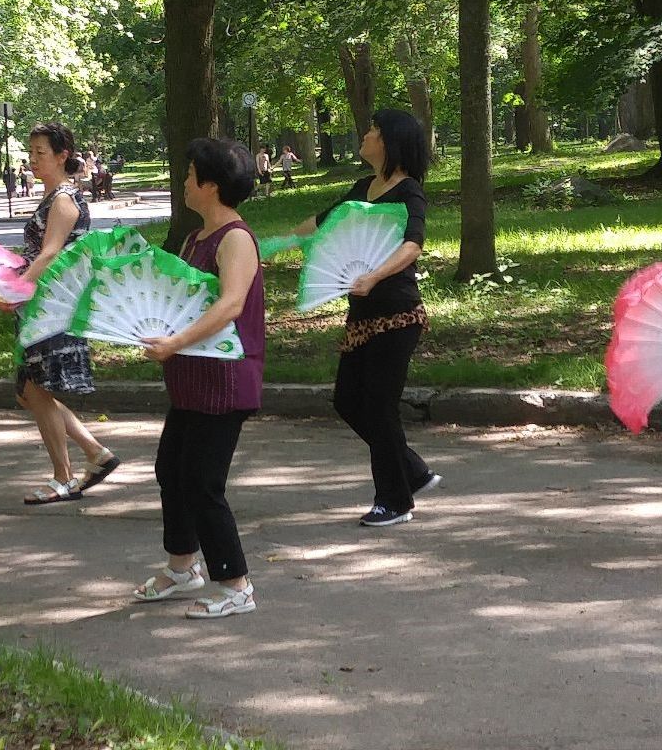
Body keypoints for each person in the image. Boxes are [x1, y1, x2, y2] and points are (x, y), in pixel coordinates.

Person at [284, 108, 441, 527]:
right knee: (348, 400)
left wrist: (373, 276)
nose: (365, 135)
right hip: (362, 317)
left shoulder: (409, 192)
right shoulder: (362, 187)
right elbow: (322, 224)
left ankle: (395, 500)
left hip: (397, 315)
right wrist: (273, 242)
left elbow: (412, 246)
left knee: (379, 406)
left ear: (389, 141)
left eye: (373, 130)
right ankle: (411, 469)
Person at [133, 138, 266, 619]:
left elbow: (230, 304)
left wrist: (174, 341)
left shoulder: (235, 237)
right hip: (191, 379)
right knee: (171, 470)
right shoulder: (195, 238)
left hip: (225, 382)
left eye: (190, 175)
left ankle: (236, 584)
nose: (184, 181)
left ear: (210, 186)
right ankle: (182, 566)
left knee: (204, 483)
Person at [12, 123, 117, 504]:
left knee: (37, 390)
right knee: (30, 391)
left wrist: (16, 288)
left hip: (54, 306)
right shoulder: (52, 197)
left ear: (62, 155)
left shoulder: (63, 200)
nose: (34, 159)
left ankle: (63, 476)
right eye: (32, 151)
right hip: (42, 303)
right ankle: (95, 454)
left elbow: (51, 253)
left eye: (42, 152)